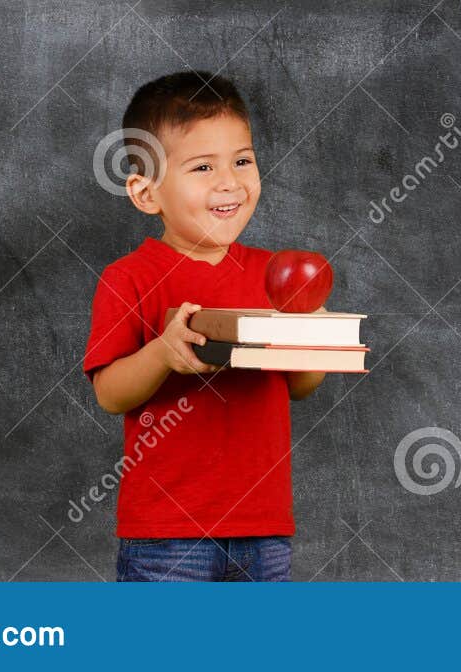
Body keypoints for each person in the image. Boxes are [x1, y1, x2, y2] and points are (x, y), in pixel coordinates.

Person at [82, 71, 323, 581]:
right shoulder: (129, 278)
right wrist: (161, 356)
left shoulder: (272, 275)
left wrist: (314, 340)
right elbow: (109, 393)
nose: (229, 182)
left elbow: (299, 387)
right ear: (147, 194)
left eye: (242, 160)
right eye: (201, 167)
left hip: (264, 525)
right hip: (168, 531)